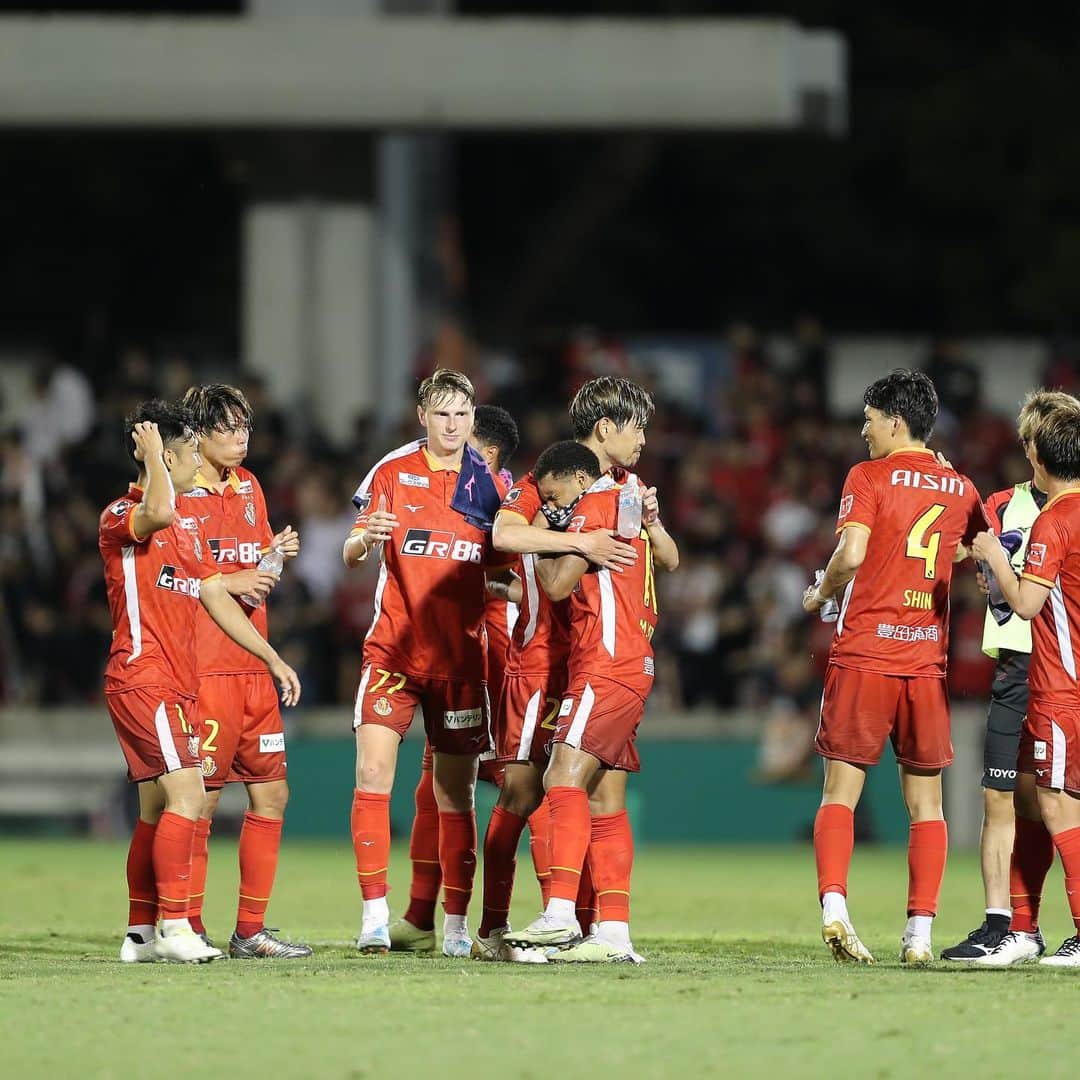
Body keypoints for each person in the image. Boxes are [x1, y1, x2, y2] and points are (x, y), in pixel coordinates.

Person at [99, 400, 300, 964]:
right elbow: (159, 508)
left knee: (155, 807)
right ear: (167, 459)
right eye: (187, 453)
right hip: (145, 676)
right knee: (189, 797)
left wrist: (271, 657)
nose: (196, 466)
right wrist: (155, 458)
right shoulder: (124, 515)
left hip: (177, 681)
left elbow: (214, 593)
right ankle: (178, 926)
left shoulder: (184, 530)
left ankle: (142, 934)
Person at [802, 369, 985, 966]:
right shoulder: (960, 486)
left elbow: (851, 553)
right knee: (927, 806)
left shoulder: (868, 475)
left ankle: (834, 908)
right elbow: (970, 549)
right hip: (924, 660)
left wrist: (820, 591)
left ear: (895, 421)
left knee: (839, 793)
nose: (864, 431)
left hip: (865, 652)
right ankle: (920, 934)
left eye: (869, 419)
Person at [477, 377, 651, 961]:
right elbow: (503, 533)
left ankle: (592, 928)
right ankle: (496, 928)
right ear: (606, 427)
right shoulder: (542, 483)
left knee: (596, 795)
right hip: (540, 662)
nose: (643, 441)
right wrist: (580, 543)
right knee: (525, 794)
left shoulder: (628, 490)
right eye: (637, 427)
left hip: (594, 660)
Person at [343, 370, 515, 957]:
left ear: (473, 418)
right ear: (422, 415)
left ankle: (456, 927)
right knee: (373, 776)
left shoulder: (487, 485)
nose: (452, 425)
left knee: (454, 796)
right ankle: (374, 917)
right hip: (393, 650)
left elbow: (502, 571)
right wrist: (364, 540)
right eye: (442, 414)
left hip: (460, 662)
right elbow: (351, 549)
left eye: (462, 414)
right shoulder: (392, 472)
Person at [505, 437, 679, 964]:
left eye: (554, 495)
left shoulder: (594, 504)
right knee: (605, 801)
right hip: (633, 660)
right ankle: (614, 934)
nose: (551, 505)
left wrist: (542, 539)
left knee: (560, 777)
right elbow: (669, 559)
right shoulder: (629, 500)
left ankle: (560, 914)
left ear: (579, 479)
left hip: (605, 662)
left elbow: (558, 586)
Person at [387, 404, 551, 954]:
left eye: (467, 442)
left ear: (491, 454)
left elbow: (517, 583)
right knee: (435, 785)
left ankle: (564, 915)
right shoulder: (459, 491)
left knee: (524, 783)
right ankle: (420, 917)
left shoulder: (504, 499)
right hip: (456, 654)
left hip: (498, 657)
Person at [942, 390, 1078, 961]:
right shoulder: (1001, 504)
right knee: (1015, 796)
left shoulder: (1059, 516)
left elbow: (1026, 597)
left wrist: (999, 564)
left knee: (1056, 799)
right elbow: (959, 550)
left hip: (1057, 673)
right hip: (1020, 668)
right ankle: (1013, 927)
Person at [178, 383, 311, 959]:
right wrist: (233, 579)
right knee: (201, 801)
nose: (240, 438)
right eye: (228, 428)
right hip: (205, 668)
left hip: (254, 664)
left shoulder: (250, 486)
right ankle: (186, 927)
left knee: (272, 794)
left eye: (245, 428)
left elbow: (254, 578)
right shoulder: (179, 494)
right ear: (199, 435)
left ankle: (250, 932)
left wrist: (274, 556)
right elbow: (177, 580)